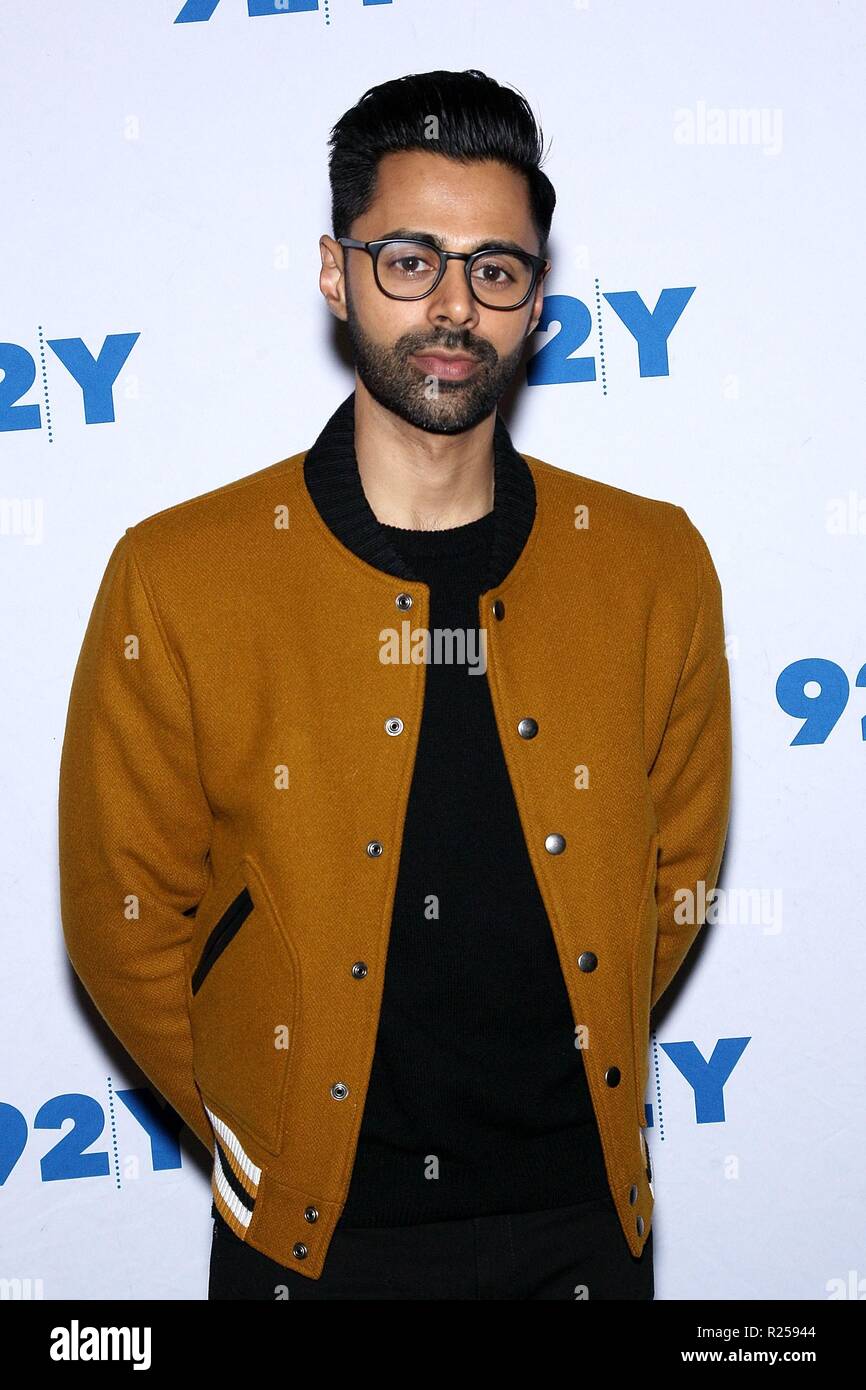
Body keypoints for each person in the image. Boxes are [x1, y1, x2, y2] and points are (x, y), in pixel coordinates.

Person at [58, 69, 731, 1301]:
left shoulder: (649, 563)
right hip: (315, 1240)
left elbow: (676, 874)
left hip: (583, 1224)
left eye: (495, 269)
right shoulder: (181, 573)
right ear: (336, 272)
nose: (453, 308)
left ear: (535, 298)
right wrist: (256, 1113)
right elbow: (123, 917)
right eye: (409, 260)